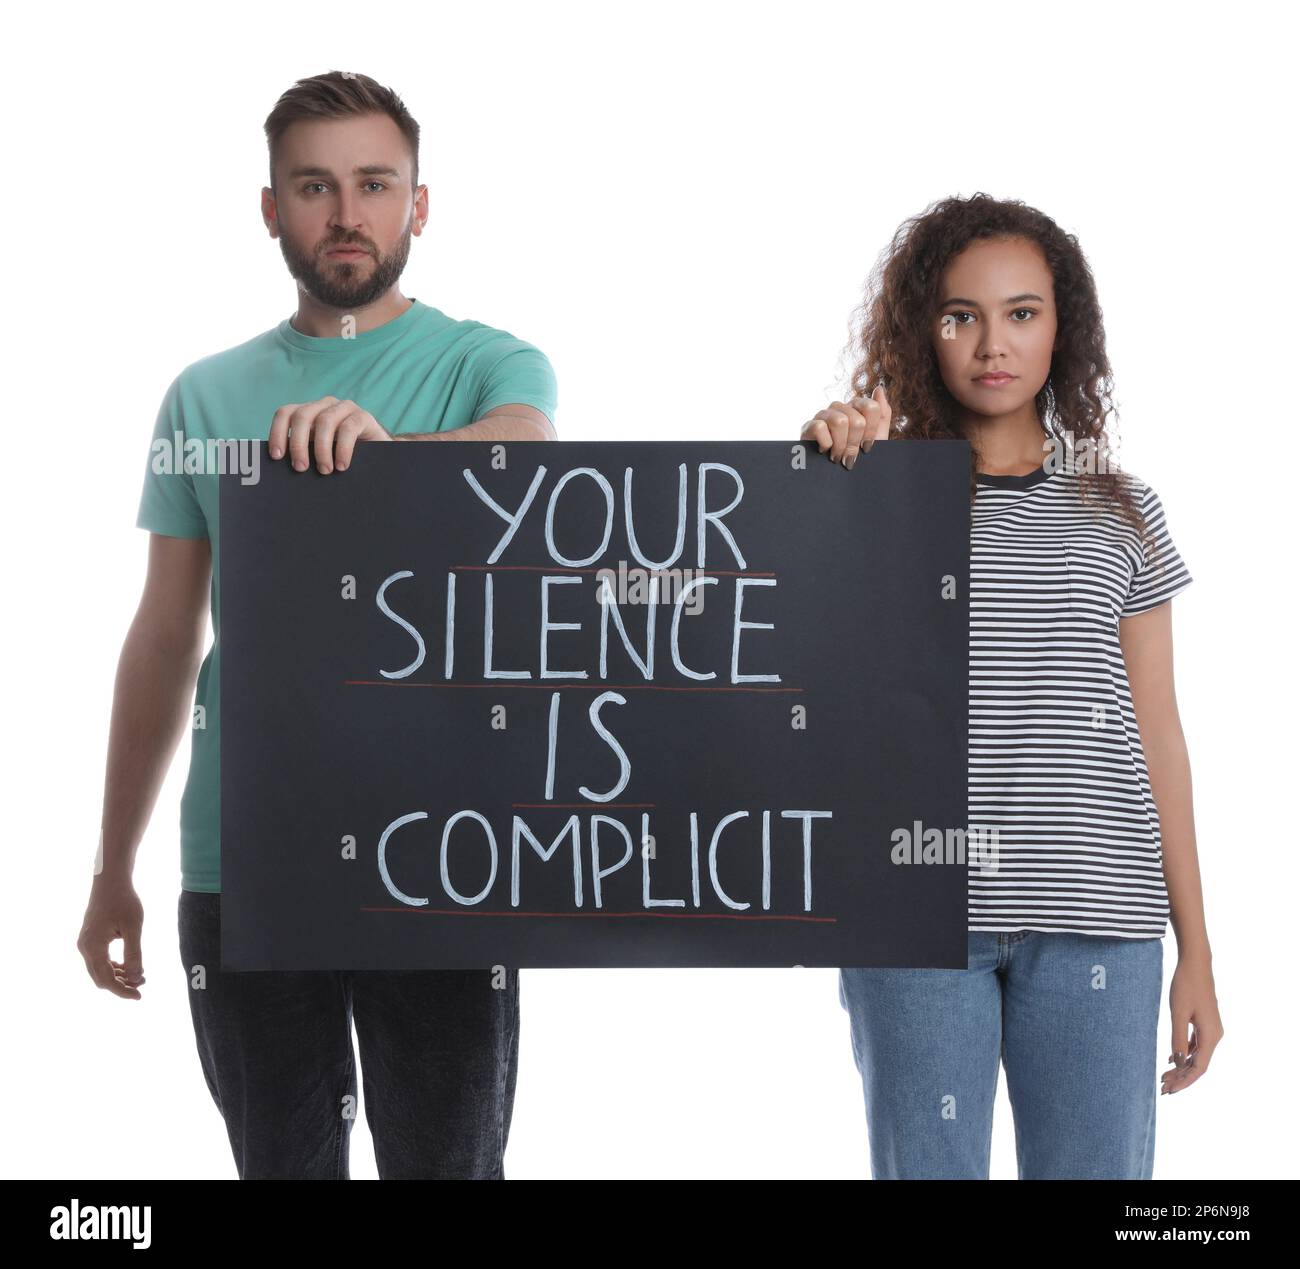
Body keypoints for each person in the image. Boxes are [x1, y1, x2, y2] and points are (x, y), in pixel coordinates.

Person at [77, 70, 558, 1179]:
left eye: (374, 184)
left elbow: (524, 454)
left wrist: (386, 464)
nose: (346, 213)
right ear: (272, 208)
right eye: (315, 186)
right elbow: (162, 636)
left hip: (447, 855)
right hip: (243, 855)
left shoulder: (490, 360)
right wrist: (113, 867)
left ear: (418, 205)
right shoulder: (204, 395)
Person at [799, 193, 1221, 1180]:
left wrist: (1193, 949)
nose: (993, 343)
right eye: (961, 315)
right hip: (914, 911)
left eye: (1022, 312)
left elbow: (1158, 733)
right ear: (923, 330)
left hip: (1097, 918)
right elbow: (798, 670)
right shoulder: (875, 499)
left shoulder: (1120, 511)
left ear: (1059, 328)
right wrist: (819, 477)